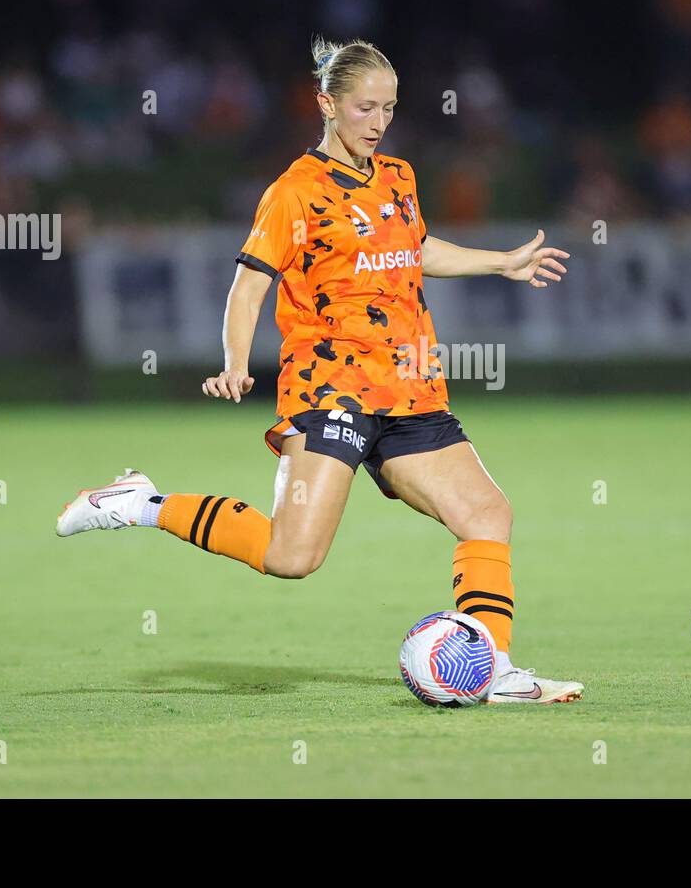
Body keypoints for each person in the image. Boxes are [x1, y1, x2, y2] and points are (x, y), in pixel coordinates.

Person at [56, 37, 583, 704]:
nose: (378, 121)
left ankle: (491, 667)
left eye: (388, 108)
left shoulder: (397, 176)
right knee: (292, 557)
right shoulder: (294, 193)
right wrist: (234, 363)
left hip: (410, 387)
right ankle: (140, 503)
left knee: (488, 514)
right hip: (330, 390)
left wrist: (500, 261)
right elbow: (248, 286)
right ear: (326, 104)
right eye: (365, 107)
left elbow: (415, 250)